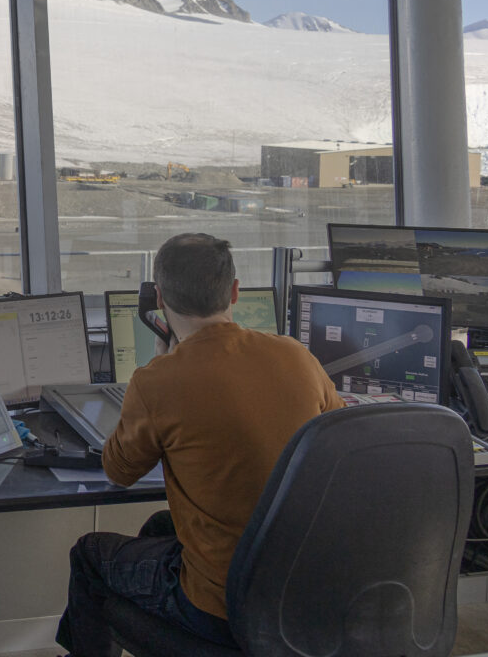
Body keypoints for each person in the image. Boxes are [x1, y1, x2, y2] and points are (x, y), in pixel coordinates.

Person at [56, 233, 343, 655]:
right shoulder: (296, 356)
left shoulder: (159, 380)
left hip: (221, 606)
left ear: (157, 298)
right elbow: (338, 429)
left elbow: (119, 471)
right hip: (299, 589)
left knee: (90, 556)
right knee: (159, 528)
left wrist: (158, 367)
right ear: (234, 291)